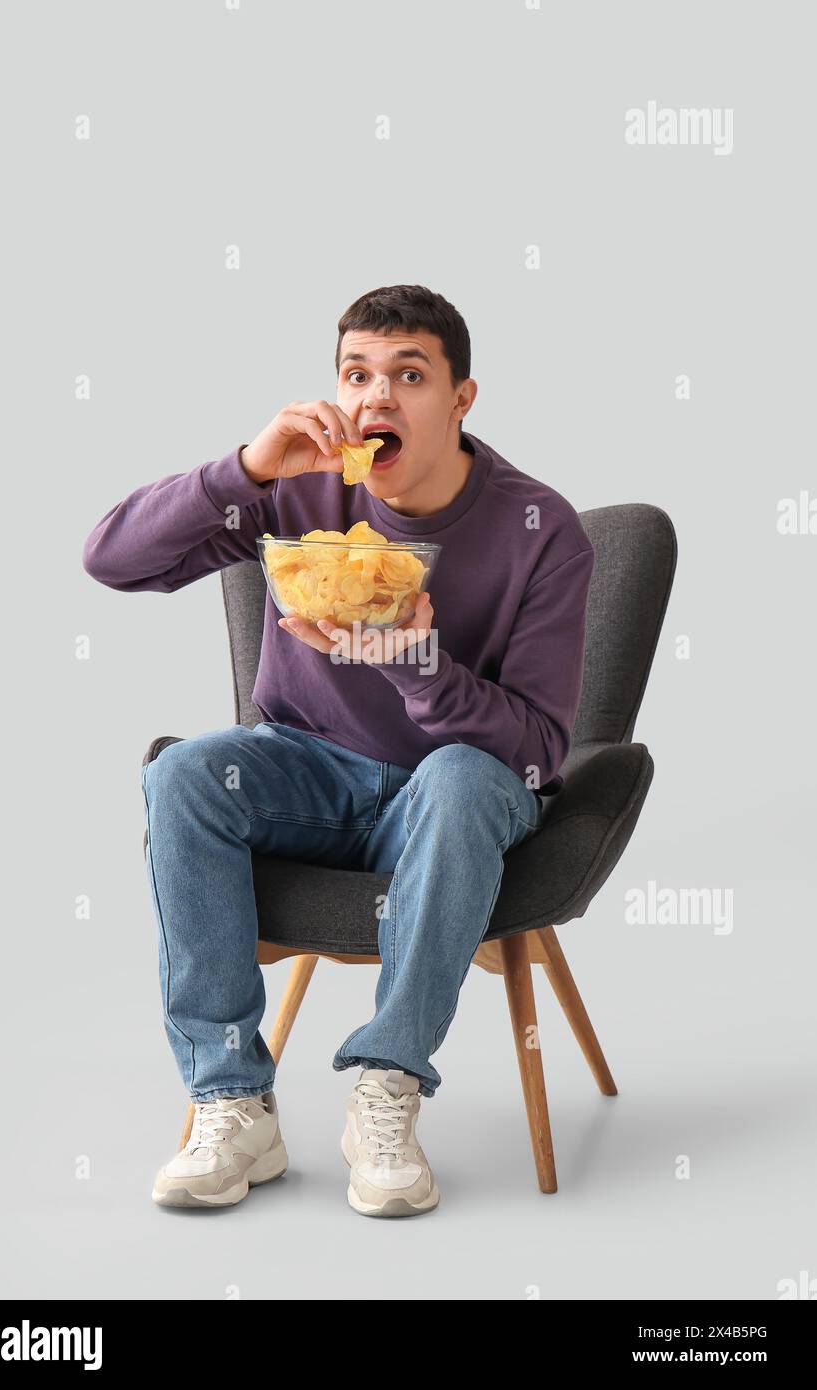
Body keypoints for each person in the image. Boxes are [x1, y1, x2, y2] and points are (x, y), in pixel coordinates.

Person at [81, 283, 595, 1218]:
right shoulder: (304, 488)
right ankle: (232, 1099)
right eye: (357, 374)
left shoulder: (540, 529)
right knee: (185, 774)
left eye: (409, 374)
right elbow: (112, 560)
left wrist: (416, 664)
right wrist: (243, 470)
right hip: (308, 774)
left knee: (459, 777)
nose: (376, 398)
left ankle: (387, 1085)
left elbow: (537, 751)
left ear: (462, 399)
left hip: (456, 797)